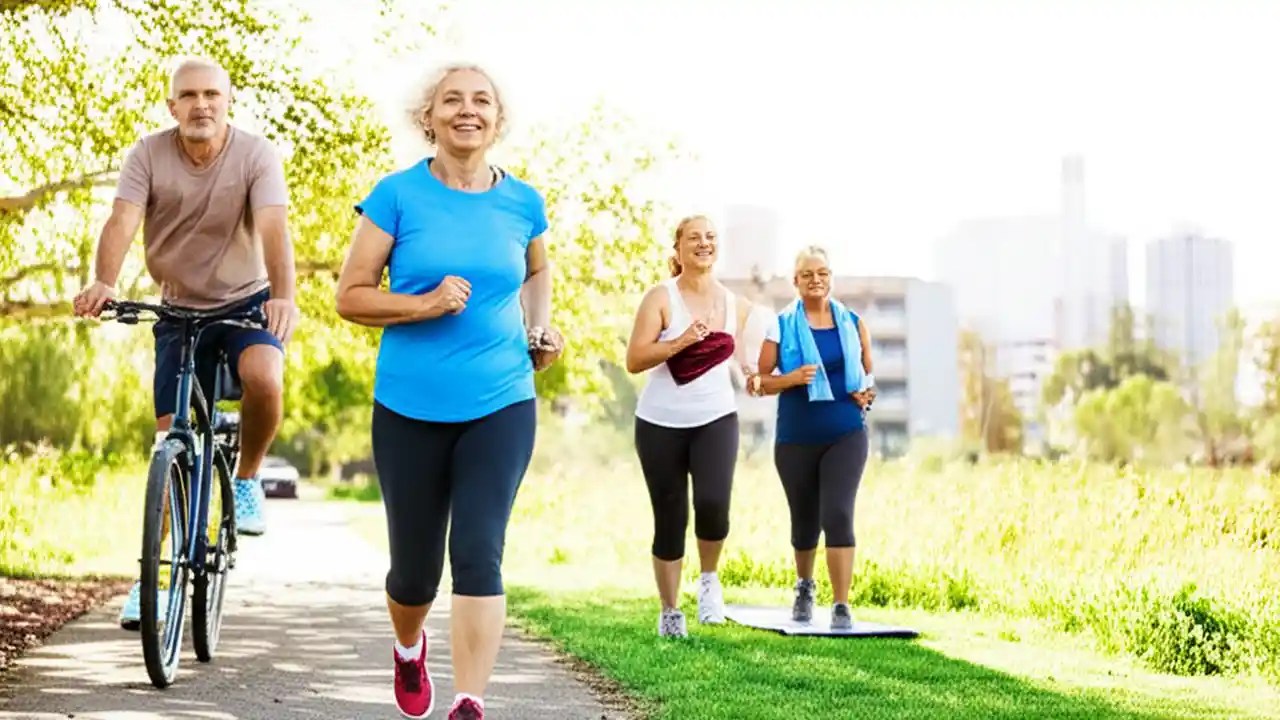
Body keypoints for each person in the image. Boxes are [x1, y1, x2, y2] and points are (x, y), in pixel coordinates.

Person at [334, 62, 561, 720]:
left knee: (479, 550)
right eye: (452, 100)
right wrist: (424, 303)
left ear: (498, 119)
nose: (468, 110)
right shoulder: (396, 196)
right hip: (408, 404)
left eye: (482, 100)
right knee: (413, 572)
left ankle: (469, 701)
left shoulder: (523, 202)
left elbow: (537, 269)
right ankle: (409, 646)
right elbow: (350, 296)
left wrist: (536, 330)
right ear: (426, 118)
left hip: (502, 400)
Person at [72, 57, 297, 631]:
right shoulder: (148, 154)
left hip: (247, 300)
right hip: (177, 309)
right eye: (189, 96)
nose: (201, 105)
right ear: (172, 105)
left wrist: (285, 295)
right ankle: (152, 581)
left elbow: (274, 228)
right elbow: (122, 221)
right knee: (170, 441)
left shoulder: (255, 155)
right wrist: (105, 280)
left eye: (212, 95)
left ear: (228, 101)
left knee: (266, 378)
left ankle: (245, 480)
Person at [624, 215, 755, 638]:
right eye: (694, 237)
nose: (704, 243)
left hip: (716, 417)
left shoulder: (735, 304)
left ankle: (710, 584)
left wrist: (755, 371)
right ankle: (669, 611)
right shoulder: (660, 297)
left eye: (711, 237)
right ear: (677, 250)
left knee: (714, 504)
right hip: (660, 422)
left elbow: (752, 351)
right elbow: (635, 359)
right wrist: (681, 342)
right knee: (670, 516)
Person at [746, 245, 875, 631]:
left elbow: (868, 378)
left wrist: (866, 393)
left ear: (830, 277)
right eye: (807, 275)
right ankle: (804, 587)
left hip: (846, 432)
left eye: (822, 273)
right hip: (796, 438)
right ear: (796, 281)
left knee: (837, 513)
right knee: (804, 522)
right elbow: (758, 382)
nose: (815, 280)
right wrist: (789, 379)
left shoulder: (852, 322)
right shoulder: (781, 326)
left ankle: (841, 605)